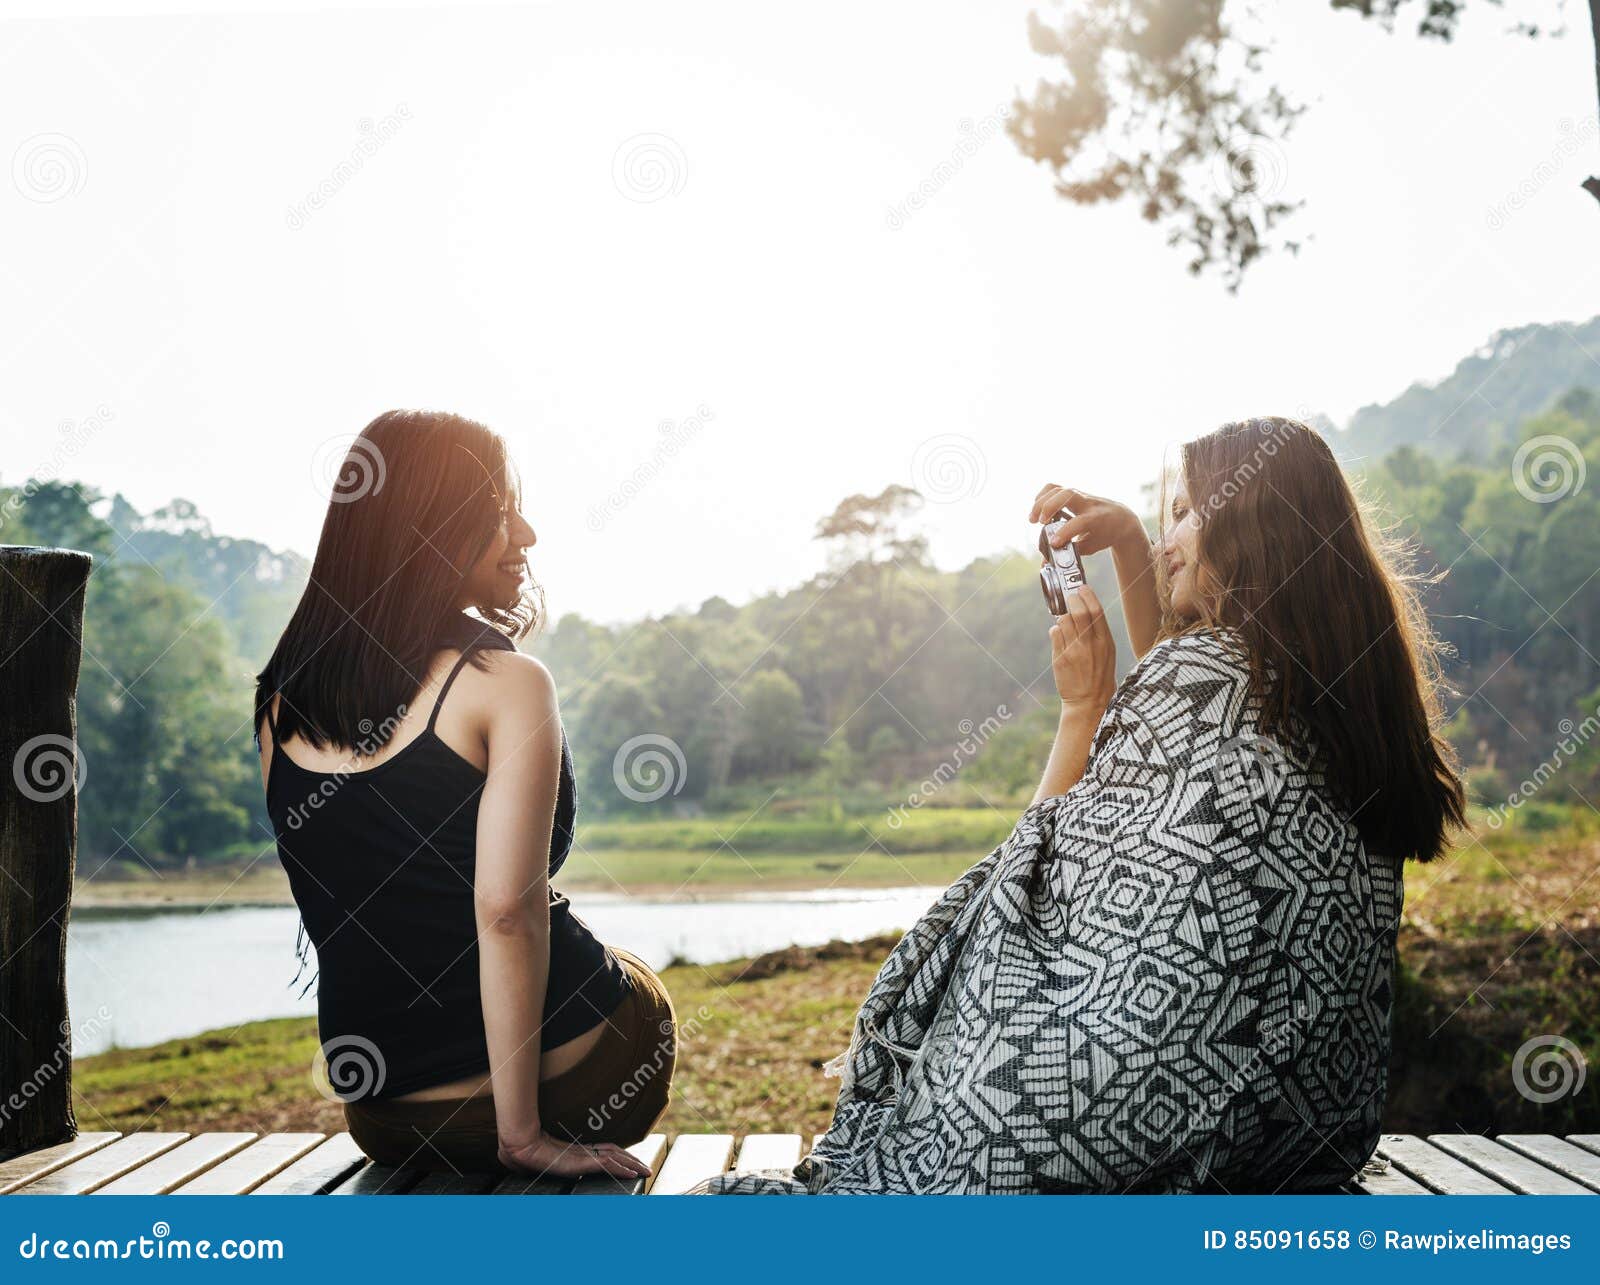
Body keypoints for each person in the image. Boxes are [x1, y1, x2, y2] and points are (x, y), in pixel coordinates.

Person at [701, 416, 1465, 1194]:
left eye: (1184, 514)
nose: (1170, 542)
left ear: (1249, 525)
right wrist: (1136, 544)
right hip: (1303, 1126)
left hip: (1145, 1111)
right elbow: (1181, 691)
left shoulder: (1200, 681)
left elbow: (1030, 875)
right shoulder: (1352, 695)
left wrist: (1083, 706)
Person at [254, 409, 670, 1181]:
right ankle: (516, 1121)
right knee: (640, 986)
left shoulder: (280, 706)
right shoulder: (507, 685)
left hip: (384, 1113)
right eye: (502, 510)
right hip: (567, 1079)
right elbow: (507, 912)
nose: (528, 535)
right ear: (433, 525)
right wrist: (523, 1135)